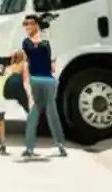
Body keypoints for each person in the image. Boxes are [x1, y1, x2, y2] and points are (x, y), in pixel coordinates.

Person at [21, 14, 68, 158]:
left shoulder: (40, 42)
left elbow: (51, 65)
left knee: (44, 111)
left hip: (45, 79)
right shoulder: (30, 43)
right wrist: (26, 81)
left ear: (36, 25)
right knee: (43, 111)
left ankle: (34, 147)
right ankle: (57, 145)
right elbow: (27, 62)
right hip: (38, 79)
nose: (27, 26)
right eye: (25, 24)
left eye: (29, 23)